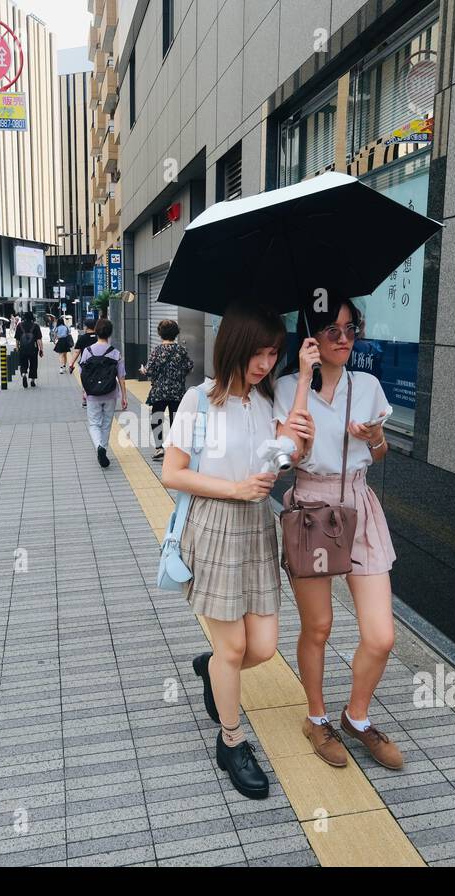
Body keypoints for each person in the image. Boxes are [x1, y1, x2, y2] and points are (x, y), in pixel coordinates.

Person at [160, 300, 316, 800]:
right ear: (235, 345)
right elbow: (172, 473)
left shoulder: (267, 401)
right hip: (214, 526)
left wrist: (306, 381)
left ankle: (211, 669)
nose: (266, 363)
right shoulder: (199, 400)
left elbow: (285, 452)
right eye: (259, 352)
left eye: (274, 353)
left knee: (263, 646)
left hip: (255, 530)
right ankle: (232, 740)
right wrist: (236, 490)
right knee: (233, 647)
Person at [272, 294, 404, 772]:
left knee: (381, 635)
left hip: (360, 504)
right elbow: (283, 459)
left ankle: (357, 717)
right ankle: (316, 717)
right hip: (311, 506)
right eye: (333, 330)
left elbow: (381, 452)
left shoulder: (367, 385)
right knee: (320, 626)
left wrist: (375, 440)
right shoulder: (286, 386)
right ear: (311, 334)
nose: (345, 338)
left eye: (352, 328)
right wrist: (305, 379)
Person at [77, 318, 127, 468]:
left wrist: (84, 391)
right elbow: (121, 377)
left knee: (94, 424)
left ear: (96, 332)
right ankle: (103, 448)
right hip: (110, 393)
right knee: (106, 424)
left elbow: (82, 373)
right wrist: (124, 397)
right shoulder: (115, 353)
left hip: (92, 394)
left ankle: (99, 446)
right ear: (110, 333)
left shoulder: (87, 351)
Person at [142, 319, 193, 462]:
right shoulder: (181, 350)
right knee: (175, 420)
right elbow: (190, 367)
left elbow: (149, 371)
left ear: (160, 333)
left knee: (156, 417)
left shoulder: (157, 351)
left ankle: (159, 448)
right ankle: (174, 448)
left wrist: (143, 370)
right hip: (177, 391)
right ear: (176, 333)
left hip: (159, 391)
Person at [69, 317, 98, 407]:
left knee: (86, 381)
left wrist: (71, 364)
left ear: (86, 327)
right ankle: (97, 398)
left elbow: (77, 352)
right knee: (97, 380)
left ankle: (85, 399)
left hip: (85, 365)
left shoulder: (82, 338)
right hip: (98, 364)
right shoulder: (99, 337)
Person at [14, 313, 42, 387]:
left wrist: (17, 347)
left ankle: (23, 375)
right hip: (33, 349)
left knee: (23, 363)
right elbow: (39, 339)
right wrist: (41, 349)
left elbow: (17, 338)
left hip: (22, 348)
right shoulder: (36, 326)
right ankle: (32, 381)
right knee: (33, 364)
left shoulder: (19, 325)